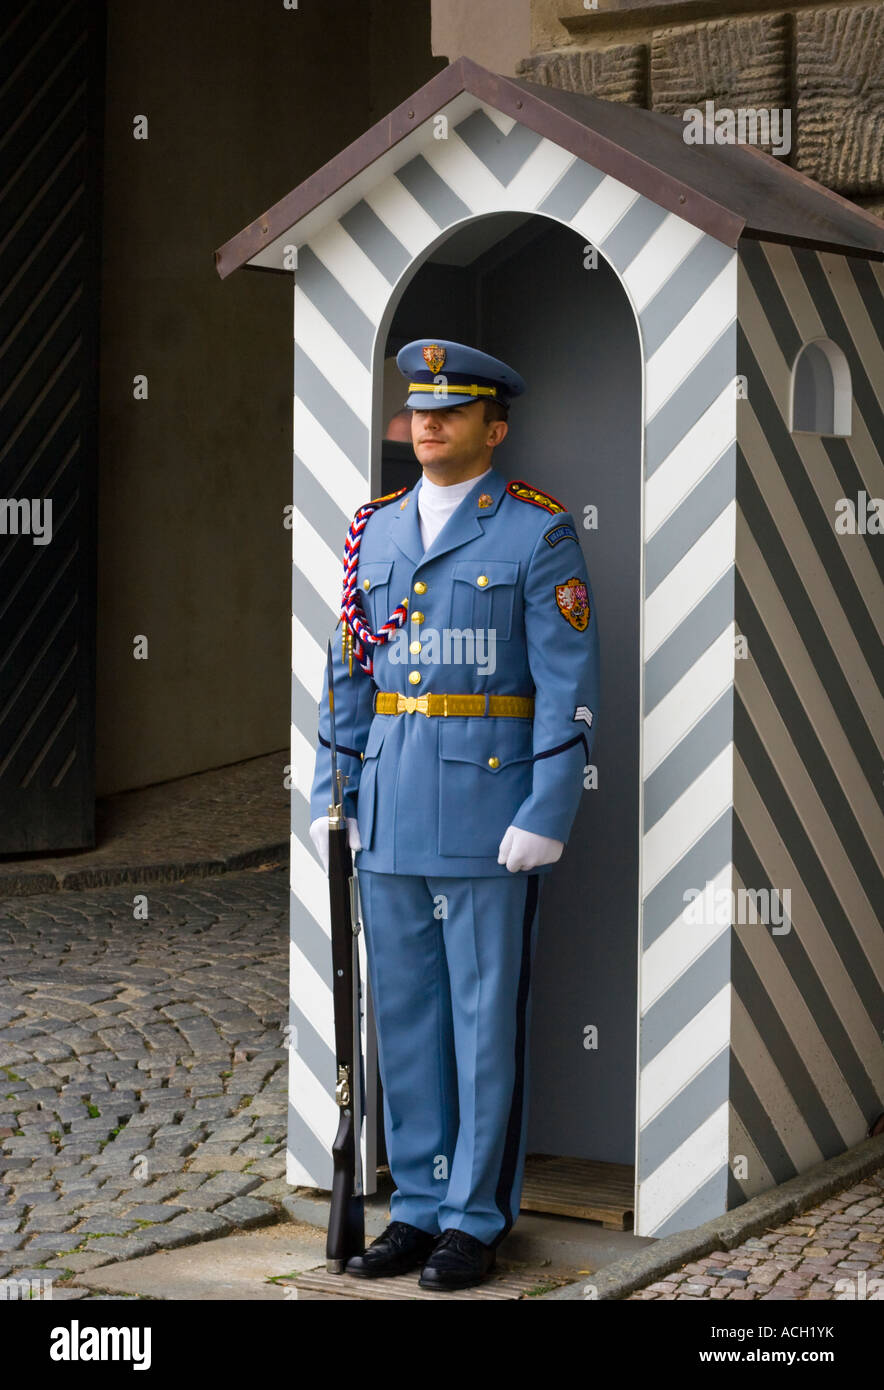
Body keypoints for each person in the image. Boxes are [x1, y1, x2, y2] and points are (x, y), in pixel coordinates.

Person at [309, 338, 599, 1290]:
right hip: (389, 809)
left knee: (482, 1023)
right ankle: (419, 1211)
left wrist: (548, 806)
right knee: (407, 1020)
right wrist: (333, 795)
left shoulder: (537, 532)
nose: (427, 422)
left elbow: (568, 686)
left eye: (453, 409)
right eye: (419, 407)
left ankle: (476, 1217)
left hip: (490, 815)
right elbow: (347, 684)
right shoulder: (372, 532)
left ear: (494, 426)